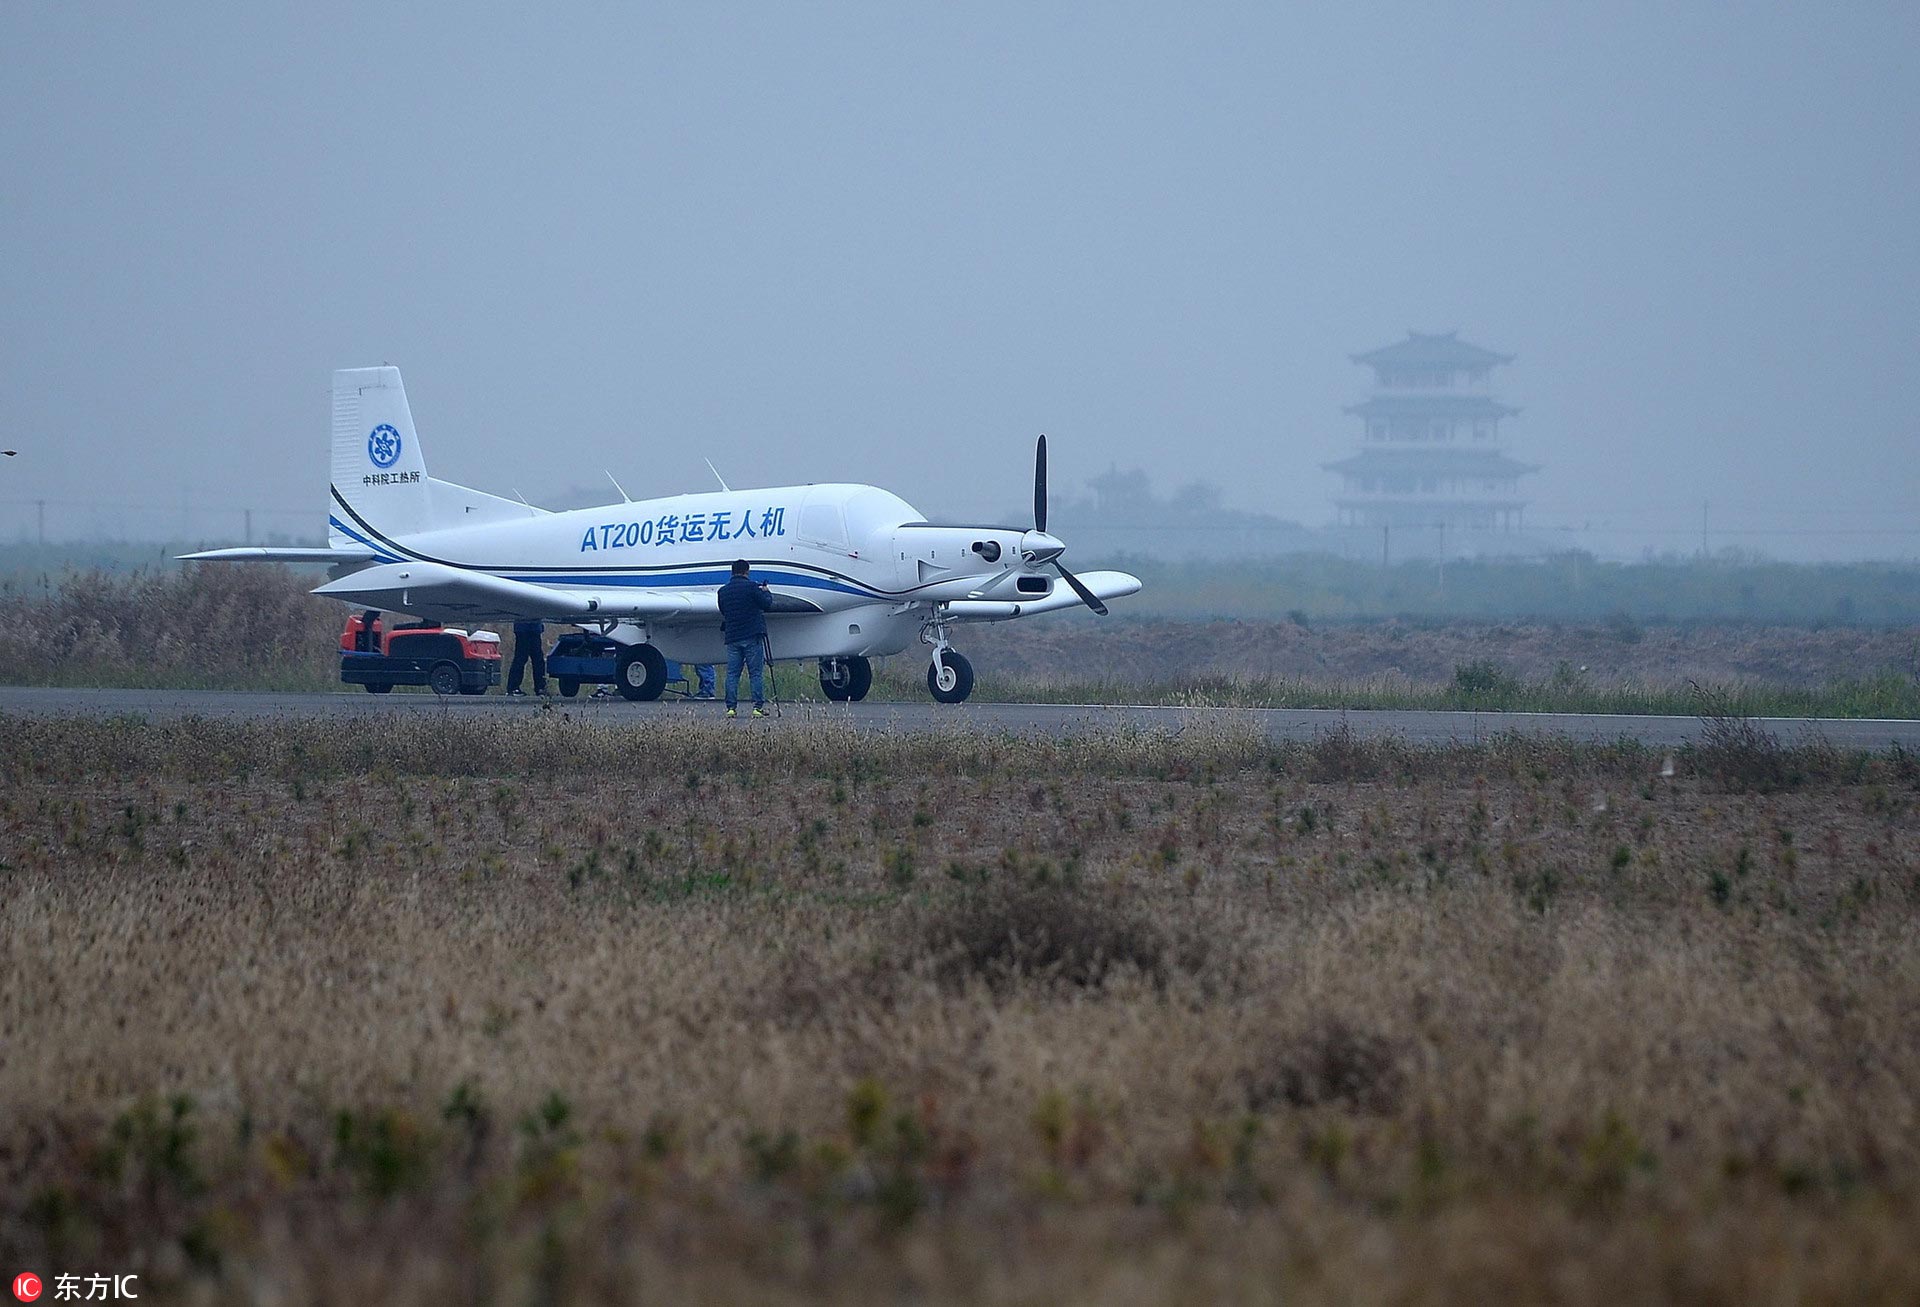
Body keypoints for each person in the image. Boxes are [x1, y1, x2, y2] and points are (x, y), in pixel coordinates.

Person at [717, 559, 773, 717]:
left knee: (732, 674)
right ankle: (757, 708)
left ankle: (731, 708)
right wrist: (766, 591)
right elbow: (767, 604)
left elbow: (723, 611)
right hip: (752, 635)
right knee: (755, 673)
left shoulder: (723, 591)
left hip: (732, 636)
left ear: (732, 572)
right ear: (746, 571)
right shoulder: (752, 587)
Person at [507, 617, 547, 696]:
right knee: (521, 658)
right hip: (524, 628)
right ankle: (513, 687)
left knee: (537, 659)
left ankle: (540, 687)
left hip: (532, 628)